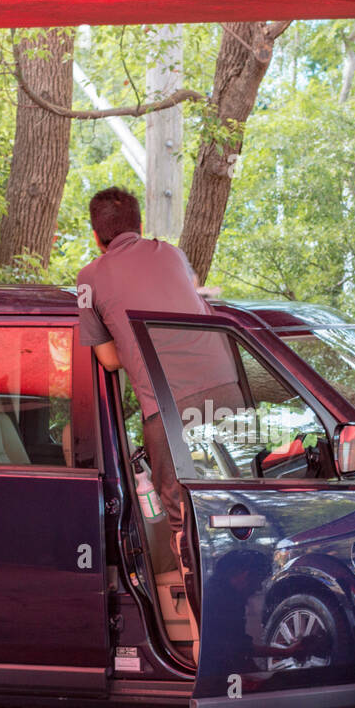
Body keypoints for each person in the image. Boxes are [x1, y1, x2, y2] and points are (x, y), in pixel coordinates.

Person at [75, 187, 237, 587]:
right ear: (141, 225)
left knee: (182, 519)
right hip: (229, 391)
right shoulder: (172, 255)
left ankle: (201, 631)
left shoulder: (90, 277)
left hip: (169, 411)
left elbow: (109, 360)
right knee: (237, 504)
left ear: (96, 235)